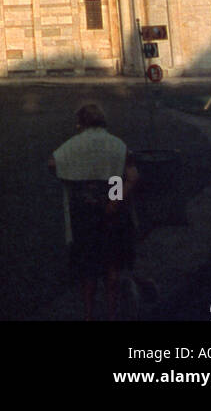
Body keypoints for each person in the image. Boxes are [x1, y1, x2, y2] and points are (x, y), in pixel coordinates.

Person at [48, 102, 138, 320]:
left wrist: (74, 178)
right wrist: (114, 199)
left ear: (81, 123)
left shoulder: (73, 144)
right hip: (112, 211)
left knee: (88, 267)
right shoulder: (118, 144)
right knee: (112, 265)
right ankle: (111, 314)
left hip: (84, 212)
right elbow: (130, 176)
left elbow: (52, 163)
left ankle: (88, 315)